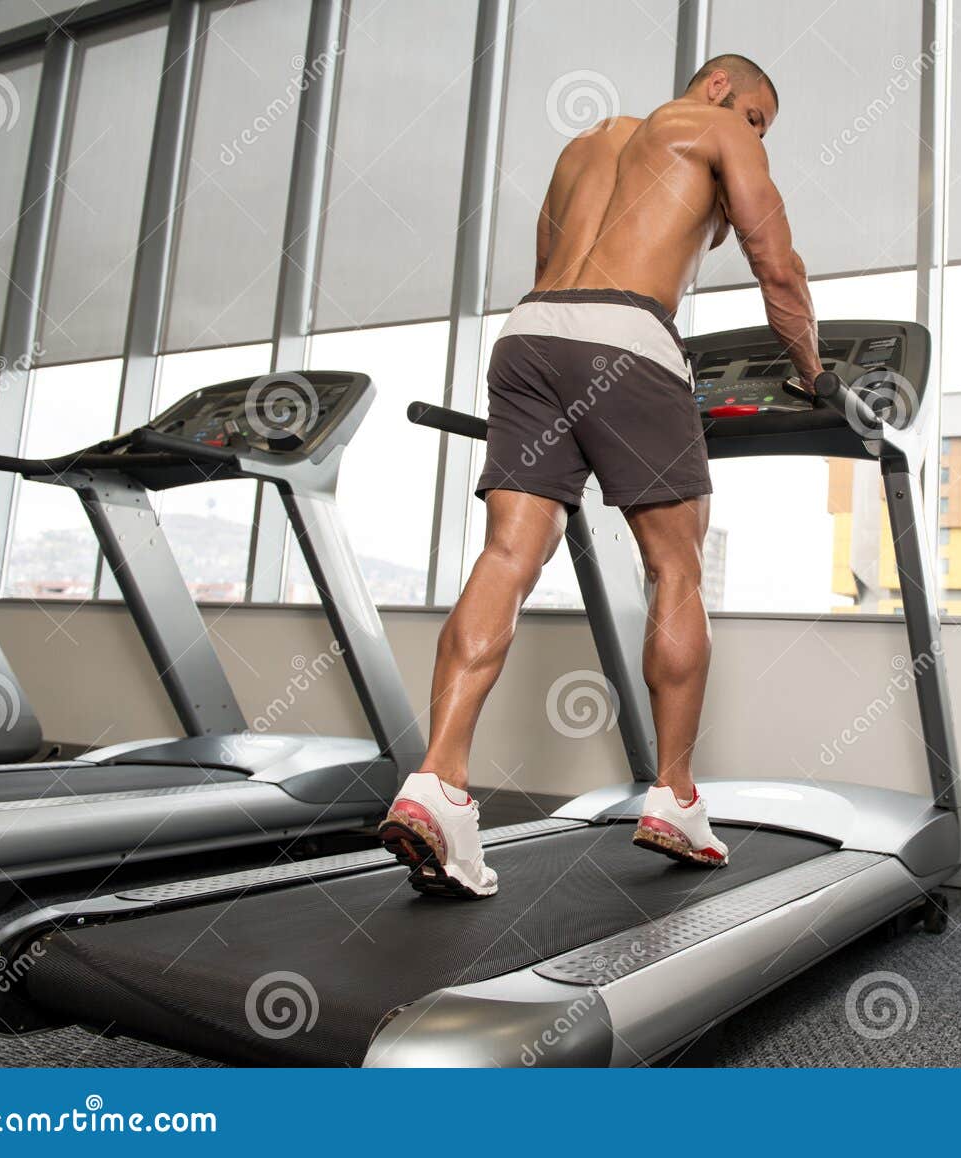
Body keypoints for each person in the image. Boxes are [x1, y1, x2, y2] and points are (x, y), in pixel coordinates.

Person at [380, 55, 822, 898]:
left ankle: (437, 780)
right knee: (676, 567)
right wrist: (814, 370)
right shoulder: (716, 127)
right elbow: (778, 264)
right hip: (627, 336)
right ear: (720, 88)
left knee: (508, 556)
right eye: (757, 117)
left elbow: (552, 267)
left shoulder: (584, 144)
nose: (756, 133)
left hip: (527, 337)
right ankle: (675, 796)